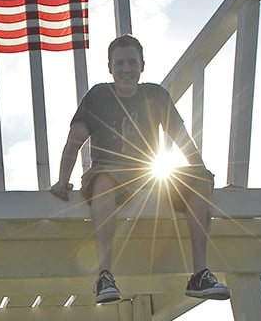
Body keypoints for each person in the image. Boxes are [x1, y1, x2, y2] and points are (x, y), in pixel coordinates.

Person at [51, 34, 230, 304]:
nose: (126, 69)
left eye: (132, 63)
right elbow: (74, 141)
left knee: (198, 178)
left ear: (142, 65)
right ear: (110, 68)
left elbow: (180, 138)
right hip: (108, 175)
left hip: (149, 178)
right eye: (120, 63)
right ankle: (105, 275)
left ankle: (199, 274)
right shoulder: (99, 96)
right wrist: (62, 180)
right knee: (104, 181)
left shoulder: (155, 95)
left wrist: (200, 176)